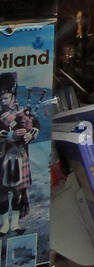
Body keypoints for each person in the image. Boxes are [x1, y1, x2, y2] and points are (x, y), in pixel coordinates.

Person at [0, 74, 38, 235]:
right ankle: (3, 225)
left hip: (19, 157)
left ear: (13, 96)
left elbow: (36, 126)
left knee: (17, 193)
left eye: (6, 98)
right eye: (1, 98)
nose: (3, 101)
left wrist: (31, 135)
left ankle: (15, 224)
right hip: (2, 158)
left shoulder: (23, 113)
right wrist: (8, 136)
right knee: (1, 193)